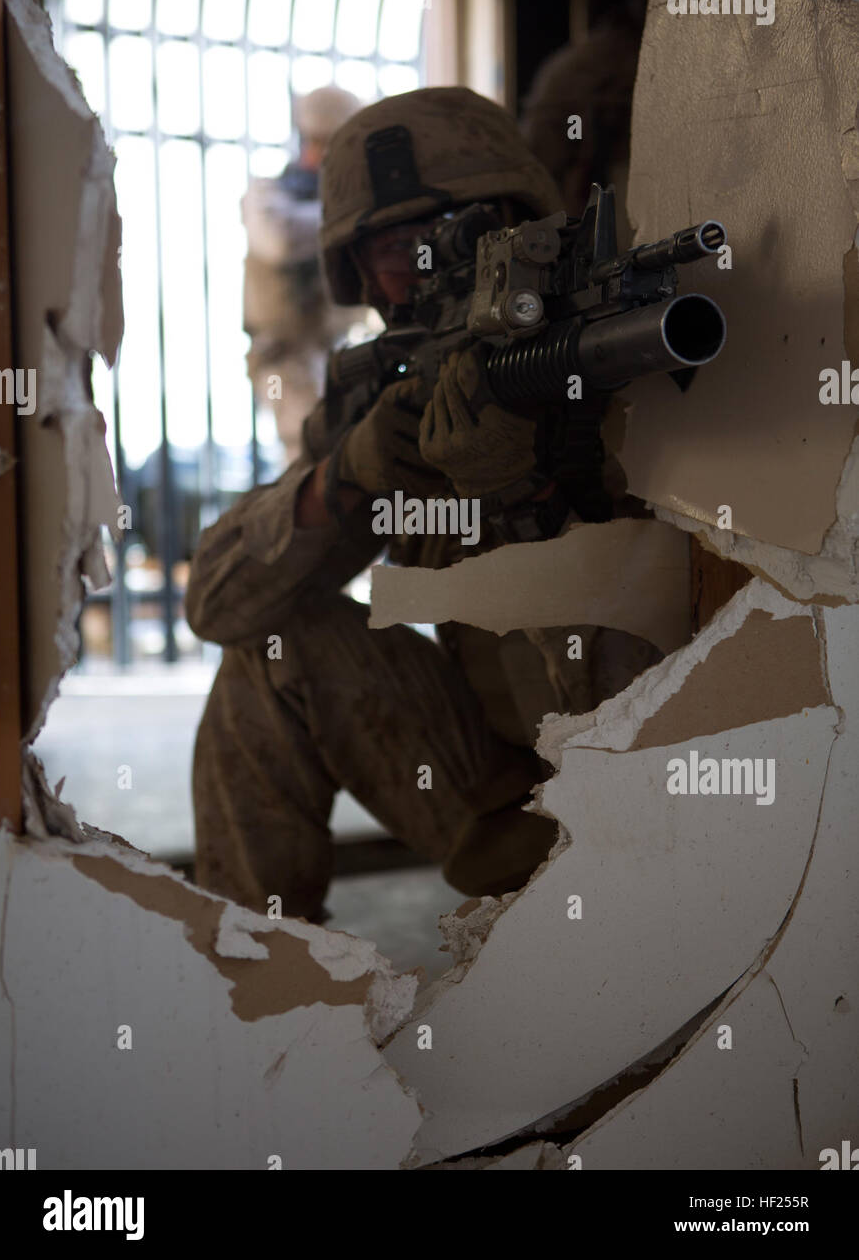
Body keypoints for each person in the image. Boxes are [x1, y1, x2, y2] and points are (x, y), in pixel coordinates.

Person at [187, 86, 660, 921]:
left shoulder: (624, 372)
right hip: (494, 790)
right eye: (387, 242)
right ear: (354, 269)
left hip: (651, 797)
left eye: (458, 226)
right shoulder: (393, 392)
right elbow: (216, 601)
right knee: (270, 645)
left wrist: (529, 496)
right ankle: (259, 981)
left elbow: (661, 705)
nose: (424, 258)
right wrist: (342, 481)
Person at [241, 84, 365, 462]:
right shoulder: (269, 194)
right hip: (282, 361)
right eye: (315, 140)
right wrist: (347, 215)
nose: (319, 153)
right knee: (304, 451)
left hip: (339, 353)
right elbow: (278, 240)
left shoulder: (342, 203)